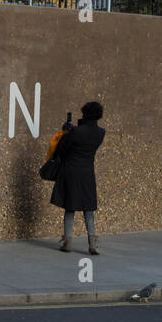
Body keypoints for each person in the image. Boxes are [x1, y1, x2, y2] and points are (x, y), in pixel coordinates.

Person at [49, 101, 105, 254]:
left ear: (85, 113)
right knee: (88, 210)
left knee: (70, 207)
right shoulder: (101, 133)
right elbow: (86, 140)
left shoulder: (76, 132)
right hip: (87, 174)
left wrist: (66, 132)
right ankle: (92, 245)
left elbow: (61, 149)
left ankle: (67, 243)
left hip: (71, 172)